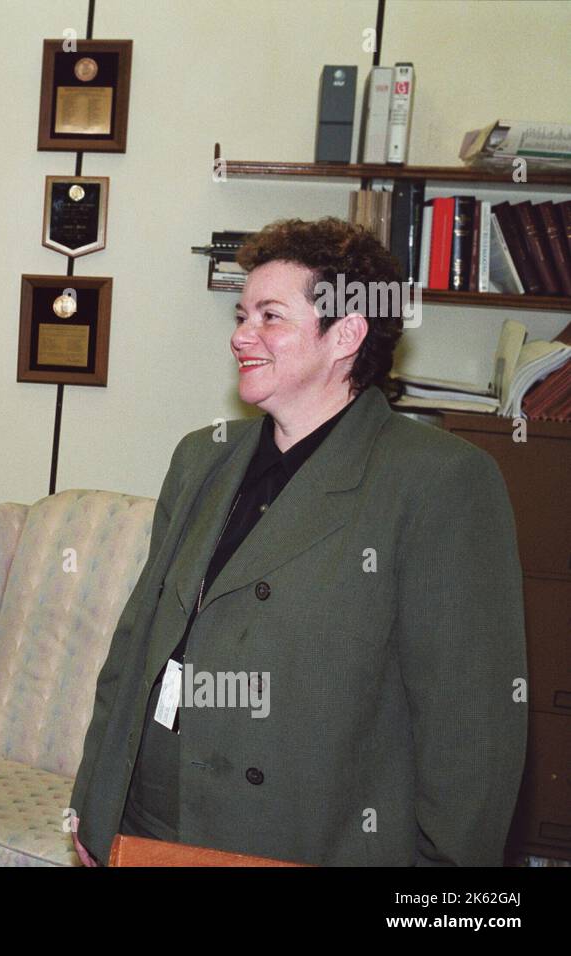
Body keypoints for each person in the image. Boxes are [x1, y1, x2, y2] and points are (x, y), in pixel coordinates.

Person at [71, 218, 526, 867]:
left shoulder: (437, 479)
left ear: (345, 333)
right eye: (241, 314)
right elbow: (137, 645)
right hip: (154, 821)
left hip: (305, 838)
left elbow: (472, 729)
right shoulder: (203, 458)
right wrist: (96, 807)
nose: (240, 336)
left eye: (270, 317)